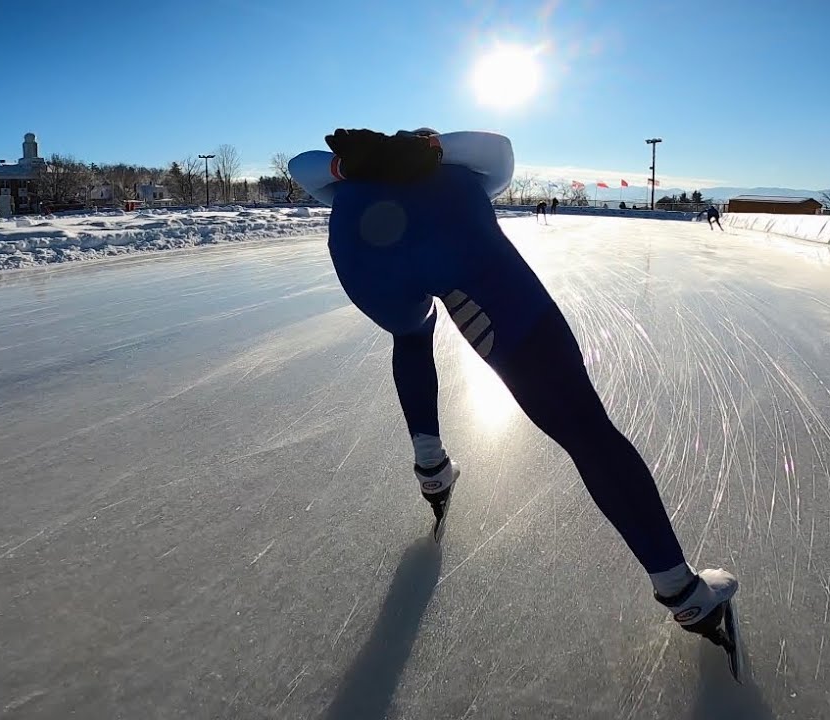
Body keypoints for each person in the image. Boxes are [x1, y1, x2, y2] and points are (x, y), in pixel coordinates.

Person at [289, 128, 738, 637]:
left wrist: (355, 165)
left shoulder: (347, 174)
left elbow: (301, 167)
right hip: (460, 242)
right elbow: (498, 152)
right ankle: (682, 590)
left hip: (363, 250)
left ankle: (431, 465)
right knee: (582, 426)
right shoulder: (468, 170)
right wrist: (427, 151)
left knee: (412, 335)